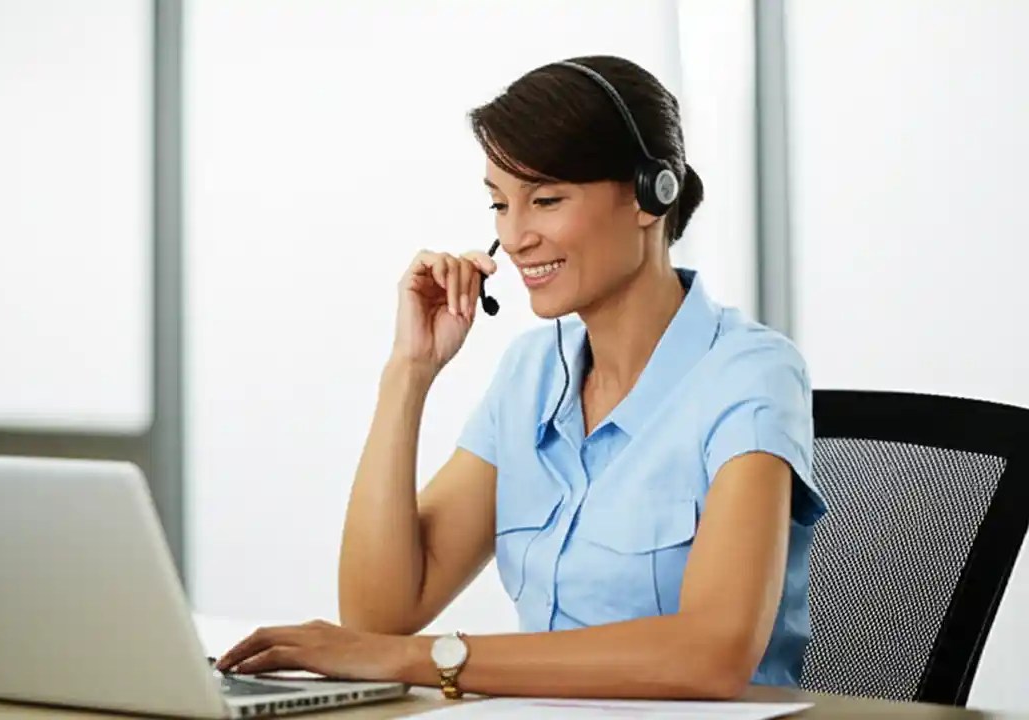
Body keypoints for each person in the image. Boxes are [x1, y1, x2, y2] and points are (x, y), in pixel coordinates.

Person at [216, 55, 827, 700]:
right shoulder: (534, 373)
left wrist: (428, 659)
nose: (514, 237)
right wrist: (408, 372)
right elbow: (379, 617)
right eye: (499, 205)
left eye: (546, 200)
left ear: (652, 196)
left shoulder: (749, 375)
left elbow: (710, 653)